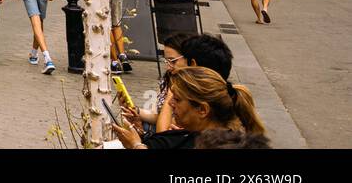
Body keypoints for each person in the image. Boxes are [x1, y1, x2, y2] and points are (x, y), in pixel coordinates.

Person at [113, 66, 266, 149]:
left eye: (177, 100)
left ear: (202, 110)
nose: (170, 104)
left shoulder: (218, 145)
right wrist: (140, 132)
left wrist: (136, 145)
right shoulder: (195, 134)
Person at [125, 32, 233, 133]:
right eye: (166, 61)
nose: (168, 66)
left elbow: (163, 134)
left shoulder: (195, 96)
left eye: (173, 61)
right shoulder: (221, 94)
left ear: (193, 64)